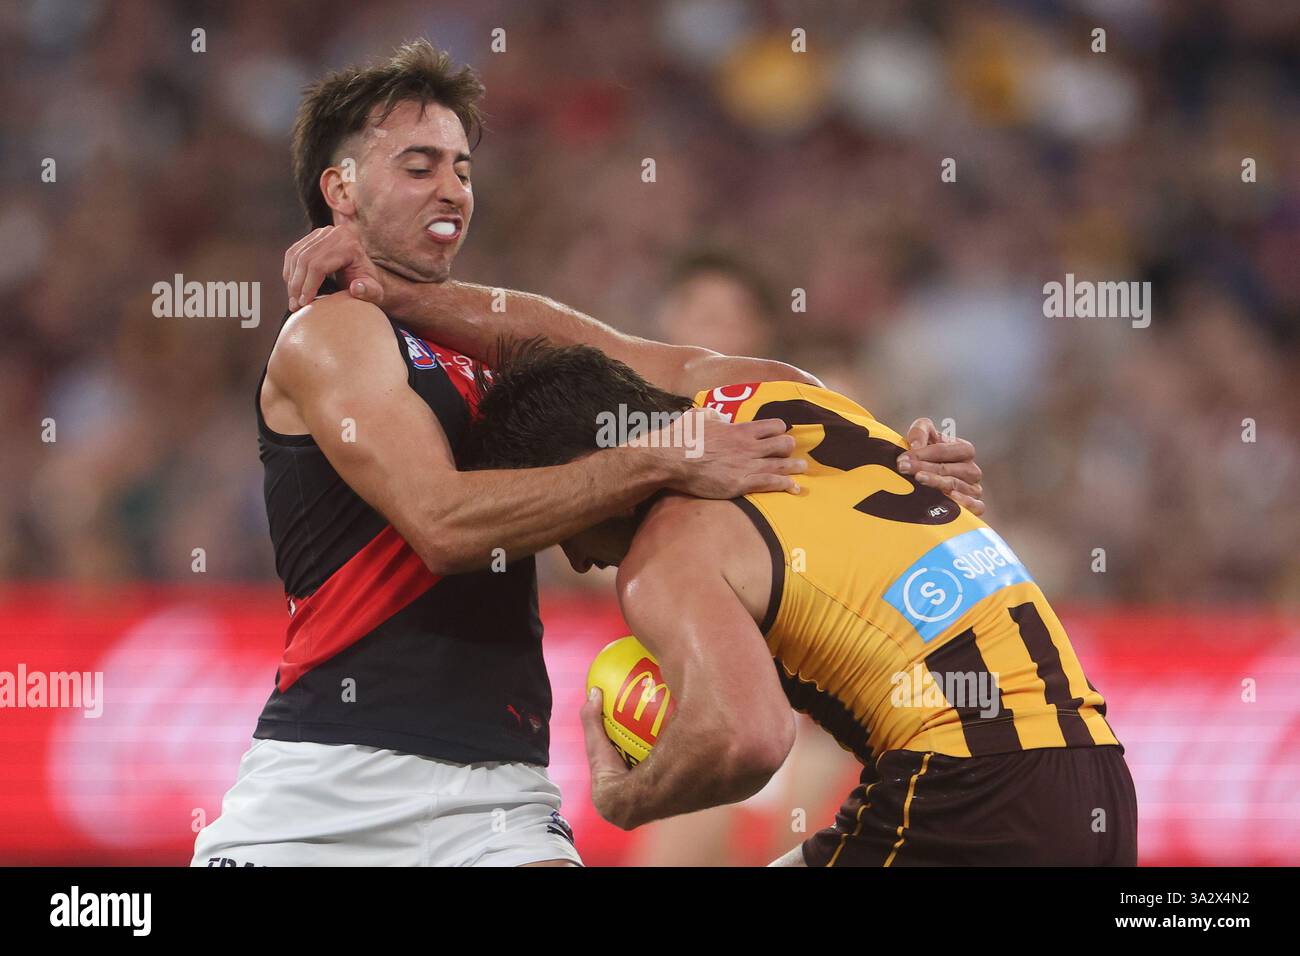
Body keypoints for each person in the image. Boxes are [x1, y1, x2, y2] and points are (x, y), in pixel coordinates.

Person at [194, 39, 985, 867]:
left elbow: (686, 373)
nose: (454, 190)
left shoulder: (475, 341)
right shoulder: (331, 331)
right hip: (330, 785)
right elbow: (442, 523)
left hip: (498, 792)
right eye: (419, 166)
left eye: (463, 168)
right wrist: (658, 459)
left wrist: (896, 461)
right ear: (339, 189)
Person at [460, 339, 1139, 866]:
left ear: (601, 469)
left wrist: (625, 796)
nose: (576, 557)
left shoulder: (666, 554)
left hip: (968, 786)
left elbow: (747, 737)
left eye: (563, 521)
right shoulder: (795, 403)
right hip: (1097, 773)